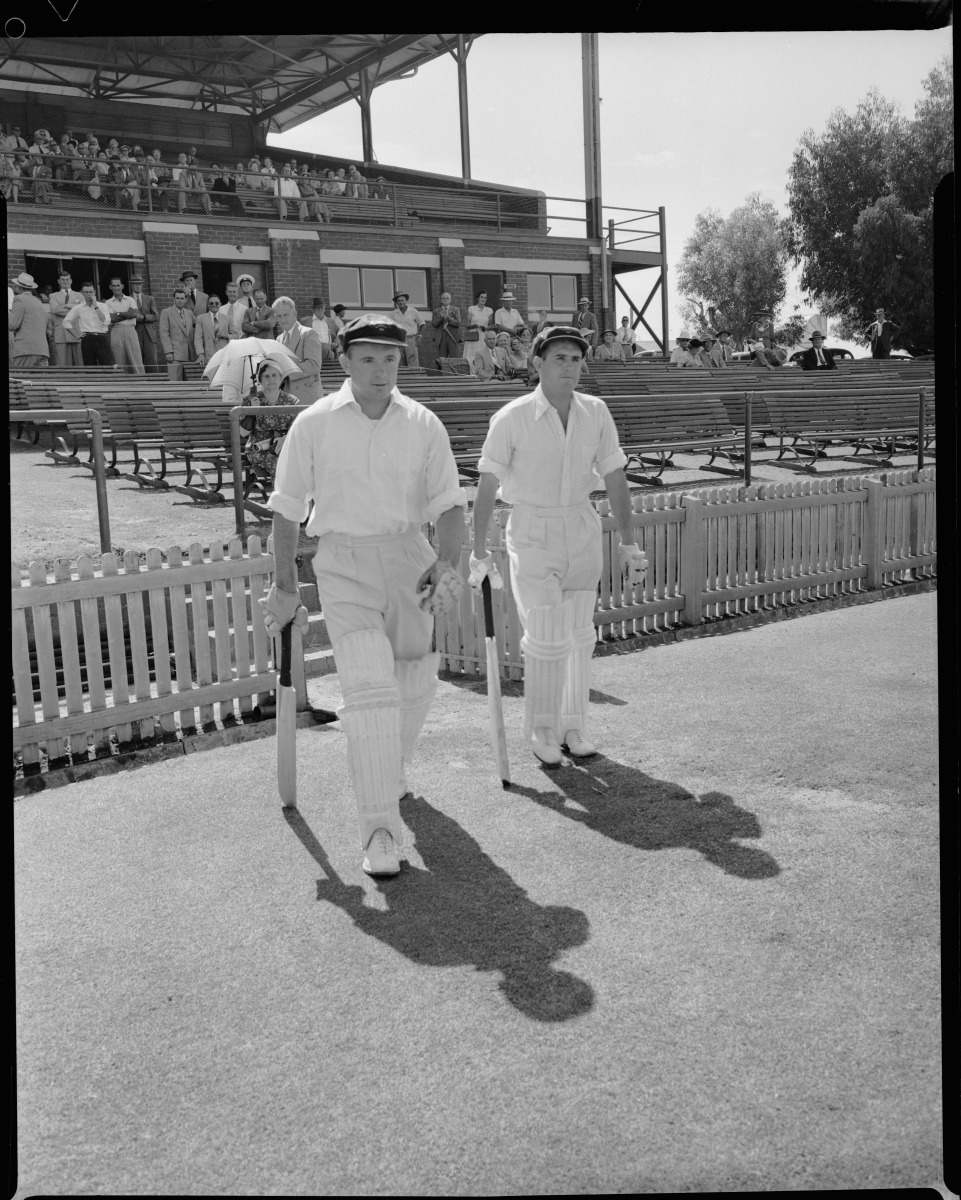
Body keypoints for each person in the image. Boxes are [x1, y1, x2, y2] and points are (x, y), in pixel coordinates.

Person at [262, 314, 467, 877]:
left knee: (418, 684)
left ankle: (390, 764)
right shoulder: (315, 423)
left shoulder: (423, 423)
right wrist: (284, 587)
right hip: (344, 564)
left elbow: (449, 505)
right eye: (369, 359)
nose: (381, 370)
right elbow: (285, 509)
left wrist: (447, 563)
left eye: (391, 359)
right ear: (344, 361)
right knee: (371, 694)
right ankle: (379, 829)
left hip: (409, 560)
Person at [468, 325, 647, 765]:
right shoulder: (511, 416)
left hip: (581, 524)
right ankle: (542, 730)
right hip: (532, 528)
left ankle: (574, 725)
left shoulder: (596, 411)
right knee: (547, 636)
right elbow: (487, 483)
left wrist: (629, 543)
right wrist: (478, 550)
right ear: (538, 363)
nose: (569, 366)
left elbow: (615, 476)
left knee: (580, 636)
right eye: (559, 358)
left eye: (575, 358)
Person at [239, 356, 301, 485]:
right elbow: (243, 433)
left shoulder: (292, 401)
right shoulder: (251, 400)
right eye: (266, 376)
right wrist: (252, 411)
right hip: (259, 449)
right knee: (281, 464)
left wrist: (286, 438)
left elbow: (298, 429)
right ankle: (282, 498)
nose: (271, 379)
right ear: (260, 380)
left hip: (285, 445)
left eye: (274, 375)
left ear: (281, 378)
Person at [271, 296, 325, 404]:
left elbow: (314, 365)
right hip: (285, 398)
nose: (282, 319)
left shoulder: (309, 333)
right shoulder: (278, 339)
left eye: (285, 315)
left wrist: (286, 372)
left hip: (306, 398)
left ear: (294, 314)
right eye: (279, 316)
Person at [62, 282, 114, 366]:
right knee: (89, 366)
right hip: (87, 338)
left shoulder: (103, 306)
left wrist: (96, 306)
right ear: (82, 293)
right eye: (86, 292)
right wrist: (76, 335)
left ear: (94, 292)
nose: (88, 294)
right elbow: (65, 322)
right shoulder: (78, 308)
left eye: (90, 292)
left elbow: (106, 321)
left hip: (102, 338)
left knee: (109, 365)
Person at [104, 275, 145, 373]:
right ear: (110, 287)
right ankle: (122, 380)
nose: (116, 288)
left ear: (122, 286)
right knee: (119, 357)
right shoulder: (108, 302)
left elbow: (135, 313)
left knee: (135, 356)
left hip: (130, 330)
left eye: (118, 285)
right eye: (113, 286)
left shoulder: (130, 299)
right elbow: (112, 319)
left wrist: (118, 313)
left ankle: (140, 380)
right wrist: (127, 314)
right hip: (116, 331)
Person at [8, 272, 50, 367]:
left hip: (25, 350)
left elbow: (12, 325)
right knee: (40, 381)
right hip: (42, 350)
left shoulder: (19, 299)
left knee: (20, 379)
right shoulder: (39, 302)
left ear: (18, 287)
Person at [48, 271, 84, 366]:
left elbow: (82, 310)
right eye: (63, 280)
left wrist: (66, 305)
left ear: (71, 281)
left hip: (76, 332)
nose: (65, 282)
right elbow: (55, 310)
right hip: (61, 332)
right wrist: (74, 308)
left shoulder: (79, 295)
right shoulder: (53, 295)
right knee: (62, 363)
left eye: (67, 279)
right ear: (58, 281)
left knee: (80, 362)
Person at [159, 287, 196, 380]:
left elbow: (198, 327)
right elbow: (164, 334)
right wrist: (168, 352)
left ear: (186, 300)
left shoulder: (189, 313)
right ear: (174, 299)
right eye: (177, 298)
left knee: (190, 383)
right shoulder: (166, 312)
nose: (180, 301)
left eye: (182, 298)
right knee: (175, 382)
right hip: (175, 354)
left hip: (189, 354)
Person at [129, 276, 160, 373]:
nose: (138, 286)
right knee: (137, 358)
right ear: (131, 285)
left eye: (139, 284)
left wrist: (145, 317)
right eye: (135, 284)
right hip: (135, 330)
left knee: (151, 359)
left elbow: (156, 316)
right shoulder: (128, 299)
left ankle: (155, 382)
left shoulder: (149, 298)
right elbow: (126, 315)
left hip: (148, 332)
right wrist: (134, 317)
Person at [194, 295, 231, 369]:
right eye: (211, 303)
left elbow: (236, 336)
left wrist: (226, 335)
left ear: (220, 304)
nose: (214, 305)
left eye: (216, 303)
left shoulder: (228, 318)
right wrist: (200, 354)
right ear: (208, 305)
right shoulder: (201, 318)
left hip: (224, 357)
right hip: (208, 357)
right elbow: (198, 338)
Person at [391, 291, 425, 368]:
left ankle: (415, 378)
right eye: (398, 301)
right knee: (400, 361)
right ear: (396, 302)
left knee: (413, 361)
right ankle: (404, 379)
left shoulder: (413, 311)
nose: (400, 302)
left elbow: (422, 324)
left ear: (406, 301)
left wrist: (420, 335)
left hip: (411, 339)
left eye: (402, 300)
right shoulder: (394, 313)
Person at [463, 289, 494, 371]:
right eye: (481, 297)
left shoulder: (489, 310)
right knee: (471, 355)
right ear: (477, 298)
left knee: (482, 355)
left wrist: (486, 328)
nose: (483, 299)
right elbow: (467, 325)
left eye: (485, 298)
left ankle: (481, 373)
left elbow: (491, 326)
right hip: (473, 335)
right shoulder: (472, 309)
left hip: (483, 336)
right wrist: (475, 325)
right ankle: (470, 373)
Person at [431, 291, 462, 363]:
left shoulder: (455, 310)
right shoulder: (436, 311)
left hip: (452, 336)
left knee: (455, 358)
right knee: (442, 359)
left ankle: (455, 374)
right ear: (440, 300)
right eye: (443, 298)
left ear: (450, 300)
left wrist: (449, 319)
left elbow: (458, 323)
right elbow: (434, 324)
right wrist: (440, 317)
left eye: (447, 298)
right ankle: (443, 373)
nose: (445, 300)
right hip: (441, 336)